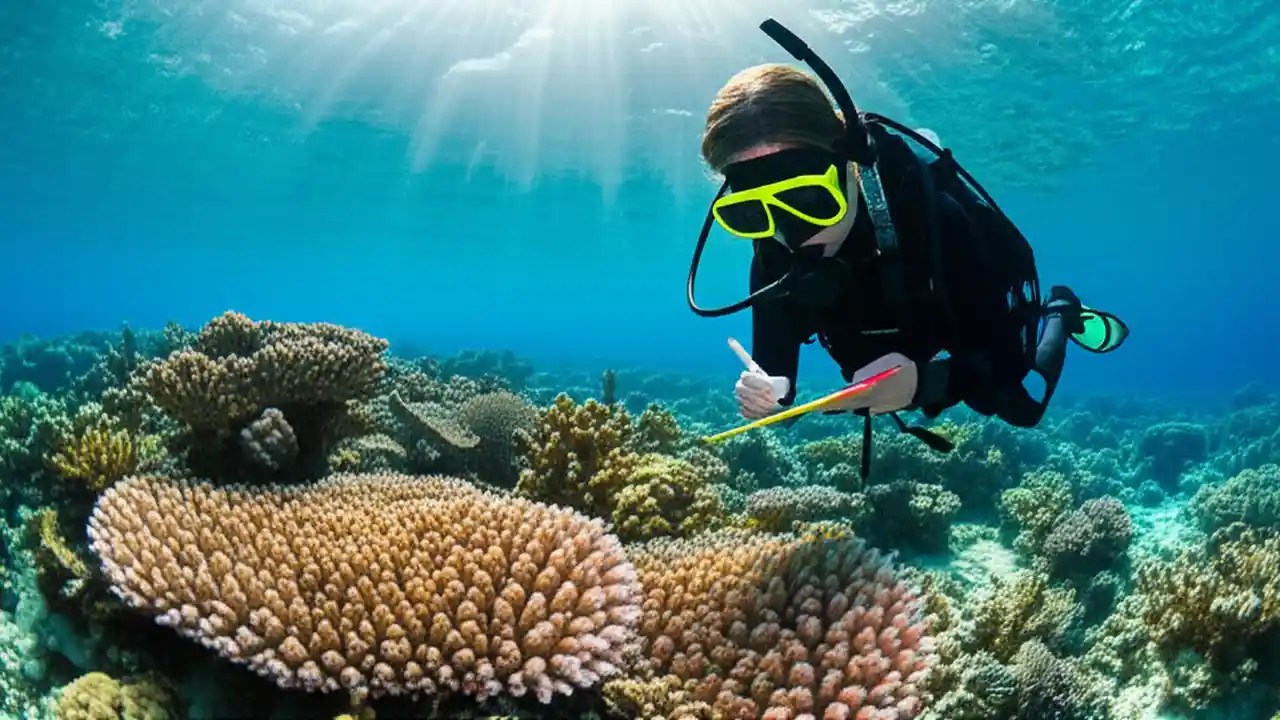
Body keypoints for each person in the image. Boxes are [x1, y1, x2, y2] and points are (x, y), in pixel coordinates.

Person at [685, 19, 1127, 477]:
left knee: (1022, 409)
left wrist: (928, 381)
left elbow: (998, 366)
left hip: (955, 325)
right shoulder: (772, 255)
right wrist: (772, 393)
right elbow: (780, 378)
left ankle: (1061, 308)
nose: (790, 235)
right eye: (753, 214)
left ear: (850, 167)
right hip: (902, 360)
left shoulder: (934, 223)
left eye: (810, 200)